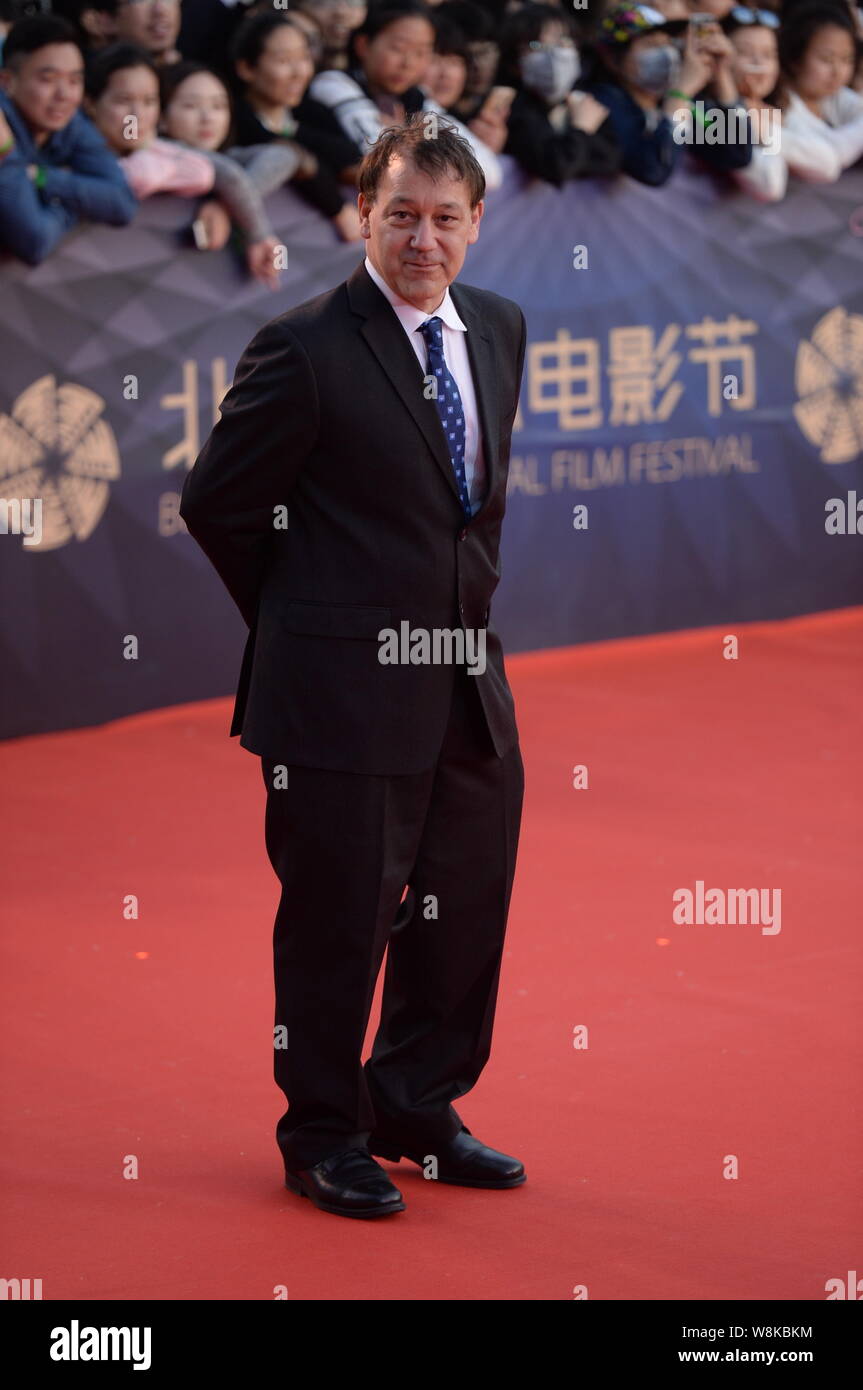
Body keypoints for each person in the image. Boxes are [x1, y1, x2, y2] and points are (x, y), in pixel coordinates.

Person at [179, 111, 527, 1220]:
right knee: (338, 921)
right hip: (338, 697)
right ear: (362, 218)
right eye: (398, 217)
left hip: (467, 676)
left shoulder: (497, 328)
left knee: (462, 907)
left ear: (475, 224)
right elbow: (219, 505)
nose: (420, 239)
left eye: (442, 219)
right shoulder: (307, 345)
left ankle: (415, 1104)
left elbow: (466, 511)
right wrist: (312, 627)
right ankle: (322, 1133)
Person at [309, 1, 503, 186]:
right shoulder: (333, 85)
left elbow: (487, 172)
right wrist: (417, 141)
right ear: (363, 45)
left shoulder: (417, 100)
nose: (408, 63)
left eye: (421, 53)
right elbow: (383, 164)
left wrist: (405, 138)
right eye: (398, 49)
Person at [0, 14, 136, 266]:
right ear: (7, 82)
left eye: (74, 80)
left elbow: (122, 203)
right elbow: (33, 240)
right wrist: (7, 154)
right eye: (48, 79)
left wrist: (41, 178)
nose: (64, 94)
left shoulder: (71, 124)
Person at [230, 12, 363, 240]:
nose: (299, 72)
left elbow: (351, 157)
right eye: (284, 61)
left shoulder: (312, 112)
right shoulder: (234, 123)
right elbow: (286, 155)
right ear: (246, 68)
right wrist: (338, 208)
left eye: (303, 58)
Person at [498, 3, 622, 186]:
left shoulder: (585, 100)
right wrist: (582, 129)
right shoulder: (515, 112)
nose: (553, 54)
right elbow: (557, 167)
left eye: (563, 42)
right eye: (536, 45)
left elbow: (611, 160)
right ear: (515, 64)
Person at [778, 1, 863, 181]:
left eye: (847, 60)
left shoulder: (835, 98)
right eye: (826, 59)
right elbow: (830, 159)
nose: (837, 72)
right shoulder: (778, 107)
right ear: (795, 58)